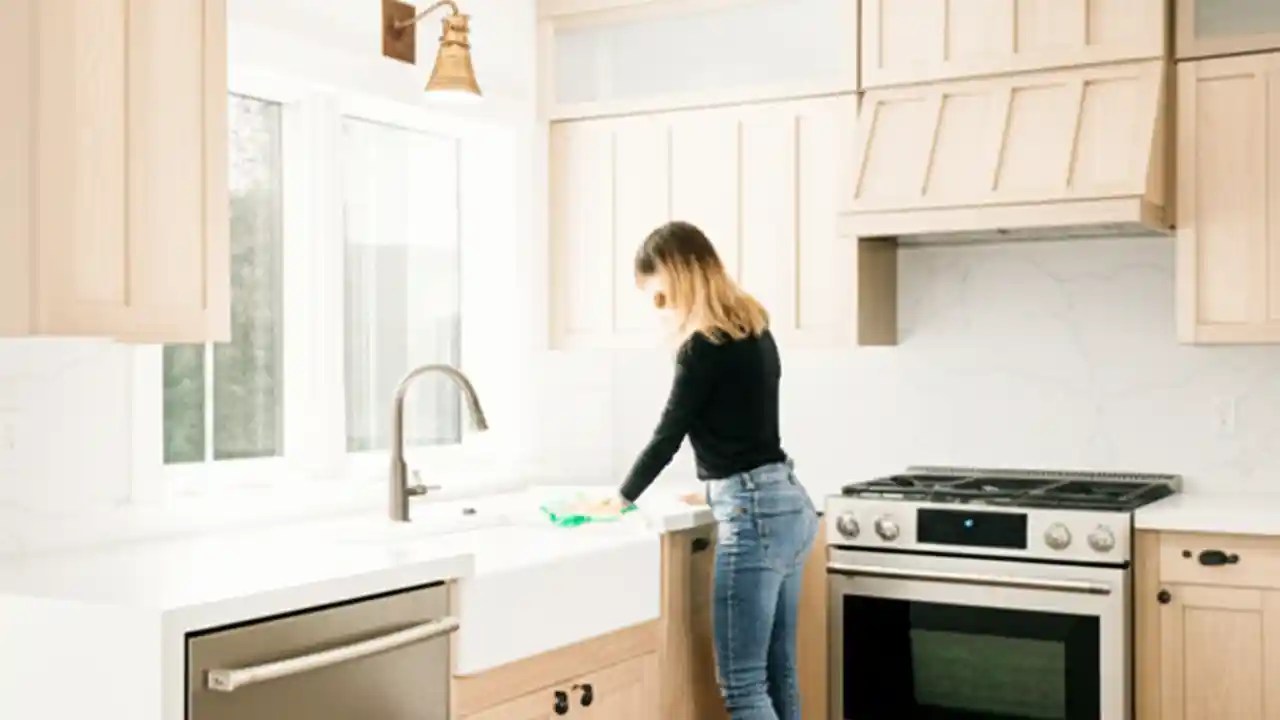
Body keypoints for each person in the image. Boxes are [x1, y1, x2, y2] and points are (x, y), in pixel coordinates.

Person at [613, 220, 819, 720]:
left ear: (678, 275)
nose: (662, 308)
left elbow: (669, 433)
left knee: (743, 688)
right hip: (788, 503)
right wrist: (712, 490)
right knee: (779, 673)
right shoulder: (755, 330)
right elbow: (745, 432)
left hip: (753, 513)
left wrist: (620, 498)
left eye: (660, 293)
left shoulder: (702, 345)